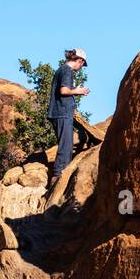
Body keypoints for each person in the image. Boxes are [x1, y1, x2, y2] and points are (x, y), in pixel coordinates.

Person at [48, 48, 89, 181]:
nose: (81, 67)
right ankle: (59, 176)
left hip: (59, 112)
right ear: (80, 60)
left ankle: (60, 174)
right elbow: (64, 90)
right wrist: (78, 91)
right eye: (82, 64)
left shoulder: (61, 69)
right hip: (62, 113)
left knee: (66, 144)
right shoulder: (67, 70)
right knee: (66, 146)